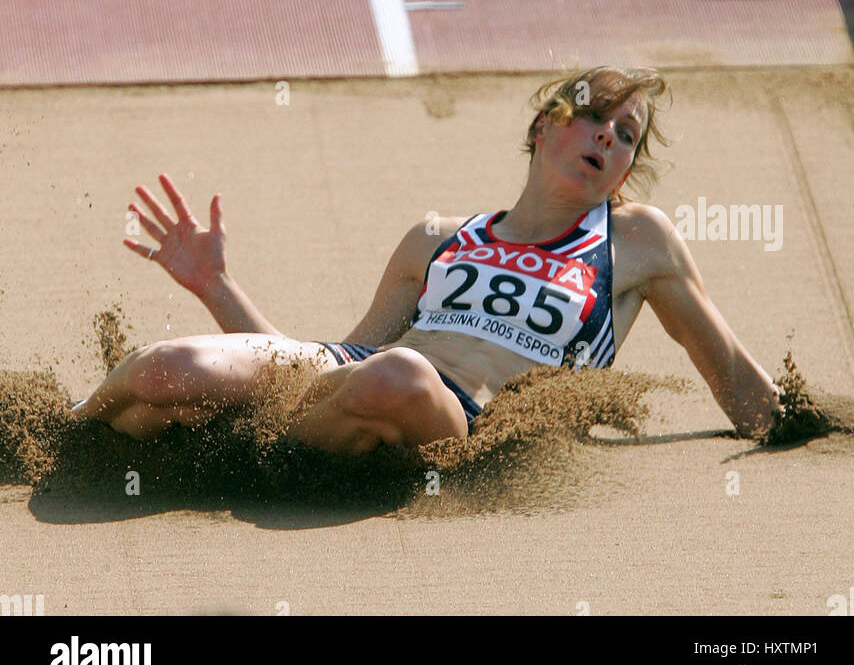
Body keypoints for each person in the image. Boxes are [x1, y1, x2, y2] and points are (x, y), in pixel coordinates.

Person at [71, 67, 782, 454]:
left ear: (623, 173)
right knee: (169, 367)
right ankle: (61, 436)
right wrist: (216, 286)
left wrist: (795, 424)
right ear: (542, 128)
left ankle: (227, 443)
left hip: (463, 416)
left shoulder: (636, 242)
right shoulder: (436, 237)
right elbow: (331, 361)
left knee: (401, 378)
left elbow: (735, 385)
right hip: (361, 383)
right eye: (591, 114)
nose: (606, 135)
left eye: (624, 135)